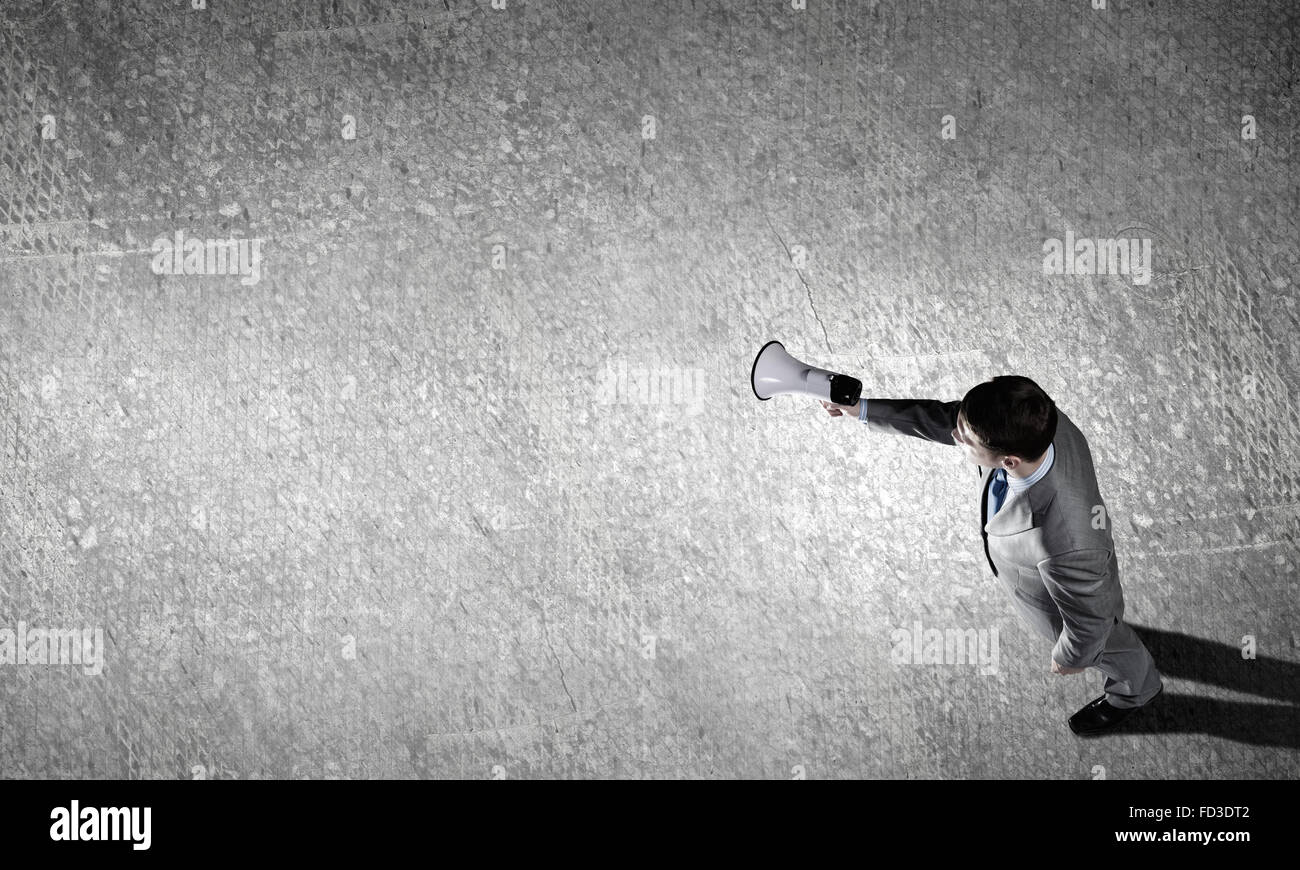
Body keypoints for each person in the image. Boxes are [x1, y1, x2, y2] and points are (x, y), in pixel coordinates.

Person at [821, 376, 1163, 735]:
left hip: (1071, 593)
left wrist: (1070, 657)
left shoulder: (1064, 544)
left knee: (1111, 642)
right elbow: (949, 419)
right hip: (1070, 572)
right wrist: (860, 410)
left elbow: (1090, 622)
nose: (955, 436)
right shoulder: (1033, 420)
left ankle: (1137, 690)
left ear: (1009, 461)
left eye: (965, 439)